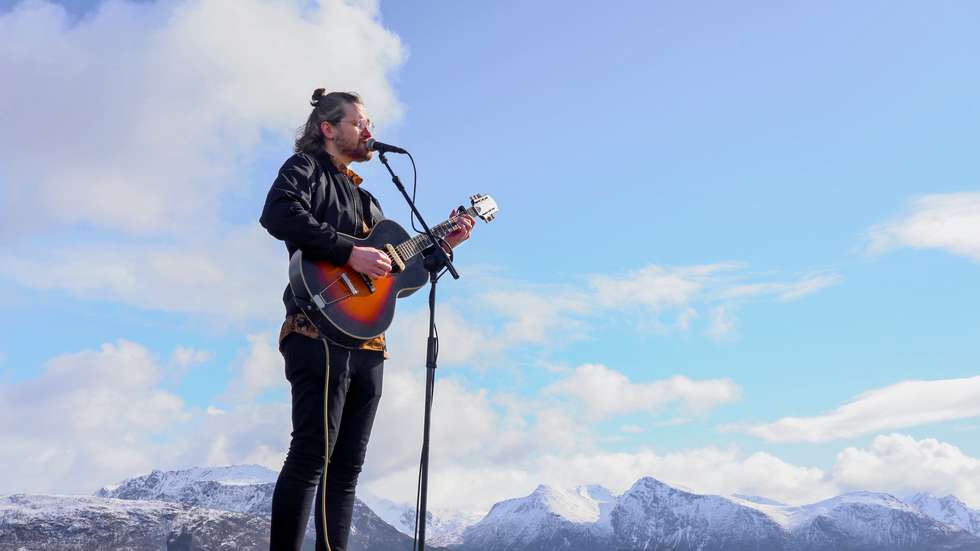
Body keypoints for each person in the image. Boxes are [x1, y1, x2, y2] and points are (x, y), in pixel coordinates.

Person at [259, 89, 474, 551]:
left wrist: (444, 246)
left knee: (348, 470)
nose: (370, 131)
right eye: (360, 123)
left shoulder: (371, 202)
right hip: (315, 330)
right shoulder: (304, 170)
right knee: (311, 455)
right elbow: (277, 213)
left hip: (368, 345)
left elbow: (397, 279)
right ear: (329, 129)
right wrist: (347, 251)